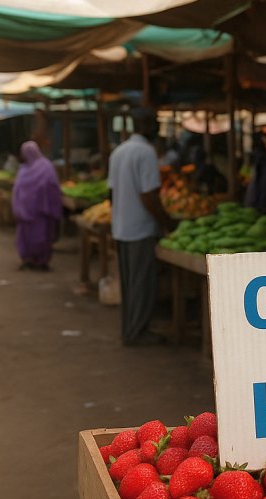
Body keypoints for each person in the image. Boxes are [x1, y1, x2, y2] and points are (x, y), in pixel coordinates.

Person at [109, 110, 174, 346]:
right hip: (140, 229)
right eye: (154, 123)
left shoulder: (119, 151)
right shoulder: (146, 153)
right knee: (142, 284)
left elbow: (111, 193)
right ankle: (138, 332)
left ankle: (130, 329)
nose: (157, 128)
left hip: (122, 227)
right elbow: (149, 195)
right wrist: (167, 222)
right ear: (145, 125)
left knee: (129, 284)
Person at [11, 141, 62, 271]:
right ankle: (34, 260)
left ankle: (36, 260)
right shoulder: (43, 167)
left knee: (36, 236)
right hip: (34, 211)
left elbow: (17, 190)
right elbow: (53, 186)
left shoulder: (37, 168)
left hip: (35, 211)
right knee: (34, 236)